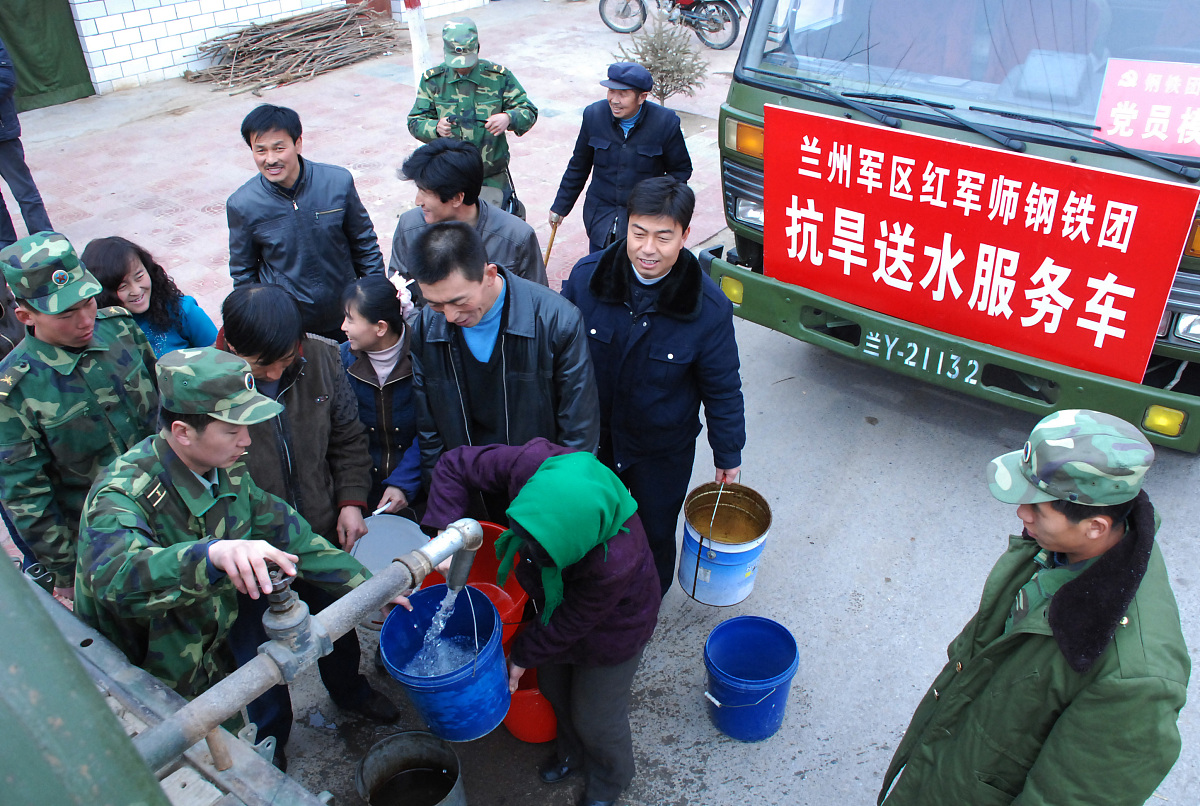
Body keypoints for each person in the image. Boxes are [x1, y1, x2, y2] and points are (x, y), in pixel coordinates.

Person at [73, 347, 383, 770]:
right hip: (148, 684)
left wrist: (369, 588)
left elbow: (290, 534)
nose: (248, 440)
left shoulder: (226, 466)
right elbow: (115, 576)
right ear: (183, 431)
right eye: (232, 429)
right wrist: (212, 555)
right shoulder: (122, 494)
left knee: (235, 754)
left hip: (213, 658)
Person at [878, 410, 1190, 805]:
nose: (1021, 513)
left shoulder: (1136, 682)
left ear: (1095, 525)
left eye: (1037, 507)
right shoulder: (1061, 545)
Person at [424, 438, 660, 806]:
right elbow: (454, 464)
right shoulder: (532, 466)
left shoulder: (615, 559)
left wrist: (519, 656)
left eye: (542, 554)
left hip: (616, 625)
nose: (527, 555)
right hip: (555, 605)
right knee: (553, 687)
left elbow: (568, 622)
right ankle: (571, 753)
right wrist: (443, 534)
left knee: (596, 717)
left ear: (575, 550)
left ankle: (610, 779)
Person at [216, 285, 398, 735]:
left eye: (286, 358)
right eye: (264, 366)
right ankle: (272, 734)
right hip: (250, 552)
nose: (278, 371)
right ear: (235, 349)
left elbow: (347, 439)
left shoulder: (319, 358)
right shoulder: (208, 383)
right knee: (258, 654)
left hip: (317, 533)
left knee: (337, 622)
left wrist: (351, 501)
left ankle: (349, 692)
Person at [562, 177, 744, 596]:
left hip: (661, 448)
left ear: (685, 235)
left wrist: (728, 451)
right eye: (639, 233)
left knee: (655, 532)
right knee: (588, 524)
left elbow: (722, 387)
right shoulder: (588, 279)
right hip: (594, 439)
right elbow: (558, 361)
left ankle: (645, 605)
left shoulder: (708, 307)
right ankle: (586, 600)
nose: (648, 248)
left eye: (663, 237)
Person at [0, 231, 158, 600]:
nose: (85, 318)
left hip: (174, 509)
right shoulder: (15, 392)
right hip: (106, 546)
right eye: (67, 313)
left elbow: (165, 412)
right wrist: (67, 571)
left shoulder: (120, 328)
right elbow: (27, 496)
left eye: (87, 301)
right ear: (25, 315)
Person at [408, 221, 600, 519]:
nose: (450, 316)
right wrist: (444, 505)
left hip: (539, 492)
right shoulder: (425, 328)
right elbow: (430, 429)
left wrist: (558, 510)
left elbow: (578, 432)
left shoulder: (556, 321)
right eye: (435, 304)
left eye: (459, 301)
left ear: (489, 274)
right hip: (469, 493)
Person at [227, 104, 385, 341]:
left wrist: (376, 300)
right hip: (291, 324)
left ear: (298, 143)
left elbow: (364, 244)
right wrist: (262, 320)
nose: (270, 159)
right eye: (260, 151)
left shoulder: (337, 182)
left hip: (346, 314)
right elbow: (243, 273)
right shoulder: (243, 204)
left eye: (279, 148)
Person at [550, 63, 692, 253]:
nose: (614, 100)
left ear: (642, 97)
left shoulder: (665, 123)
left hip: (643, 220)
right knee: (599, 269)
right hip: (600, 215)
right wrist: (560, 207)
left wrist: (655, 200)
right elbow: (579, 165)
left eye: (623, 94)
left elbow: (681, 171)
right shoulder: (594, 116)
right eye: (611, 91)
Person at [407, 18, 538, 211]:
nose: (462, 68)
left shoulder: (498, 77)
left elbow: (528, 110)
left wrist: (508, 118)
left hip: (491, 174)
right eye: (456, 63)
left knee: (498, 230)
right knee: (452, 233)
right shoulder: (433, 81)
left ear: (477, 48)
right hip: (450, 175)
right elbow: (415, 121)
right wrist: (435, 128)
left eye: (467, 62)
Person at [390, 138, 546, 294]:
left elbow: (537, 302)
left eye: (425, 192)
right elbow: (401, 293)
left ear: (457, 198)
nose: (418, 201)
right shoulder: (409, 226)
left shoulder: (516, 237)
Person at [340, 275, 421, 516]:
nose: (343, 327)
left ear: (380, 327)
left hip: (420, 491)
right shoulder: (339, 360)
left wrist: (404, 482)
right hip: (363, 496)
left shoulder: (425, 357)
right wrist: (350, 498)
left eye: (351, 319)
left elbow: (434, 429)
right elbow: (341, 436)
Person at [82, 236, 217, 357]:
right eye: (122, 287)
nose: (136, 290)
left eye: (139, 277)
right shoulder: (96, 332)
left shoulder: (183, 310)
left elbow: (221, 357)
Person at [0, 38, 53, 250]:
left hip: (2, 135)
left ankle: (45, 240)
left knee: (24, 191)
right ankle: (6, 246)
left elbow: (6, 80)